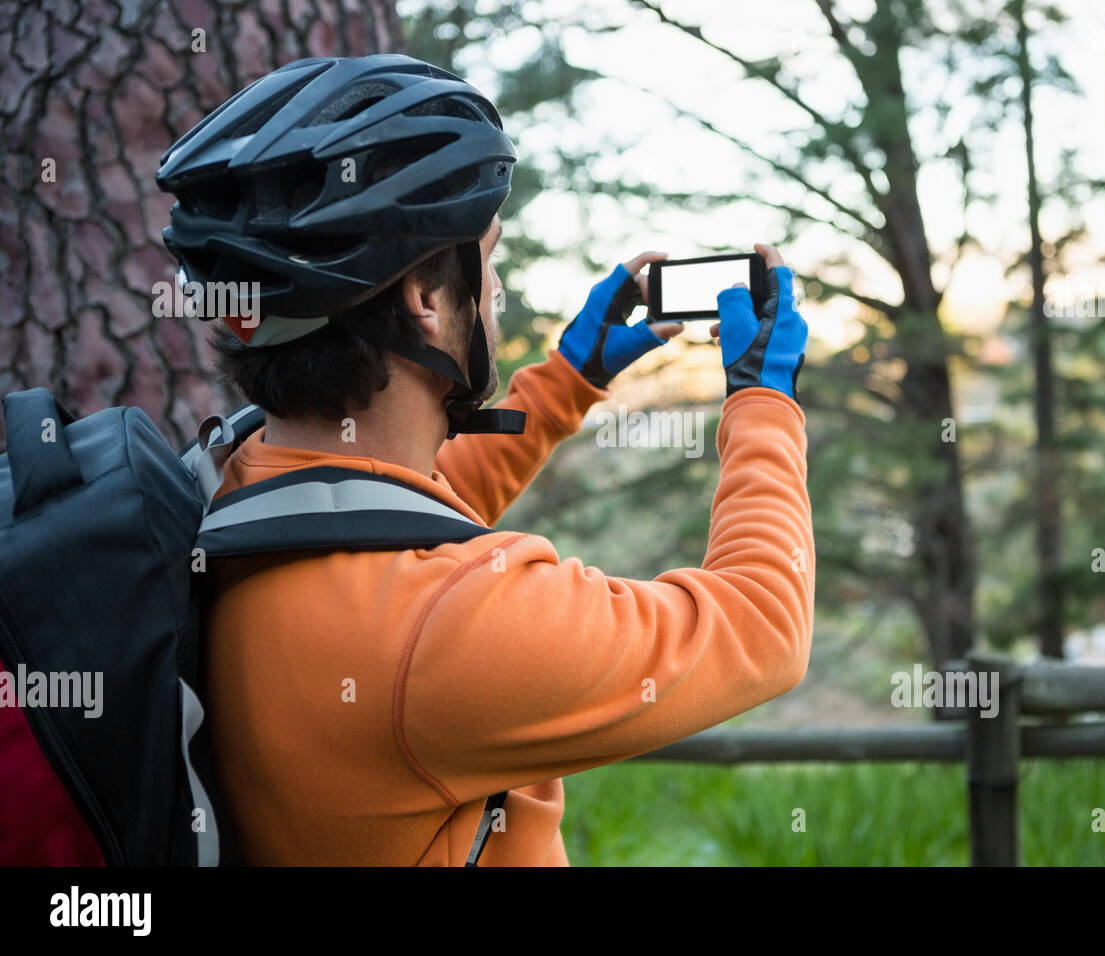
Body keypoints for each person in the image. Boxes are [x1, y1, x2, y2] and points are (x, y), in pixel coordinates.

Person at [157, 53, 813, 865]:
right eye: (488, 256)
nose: (495, 290)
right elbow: (762, 627)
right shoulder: (448, 631)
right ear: (427, 300)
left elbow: (393, 509)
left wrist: (571, 380)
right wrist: (764, 400)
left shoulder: (234, 482)